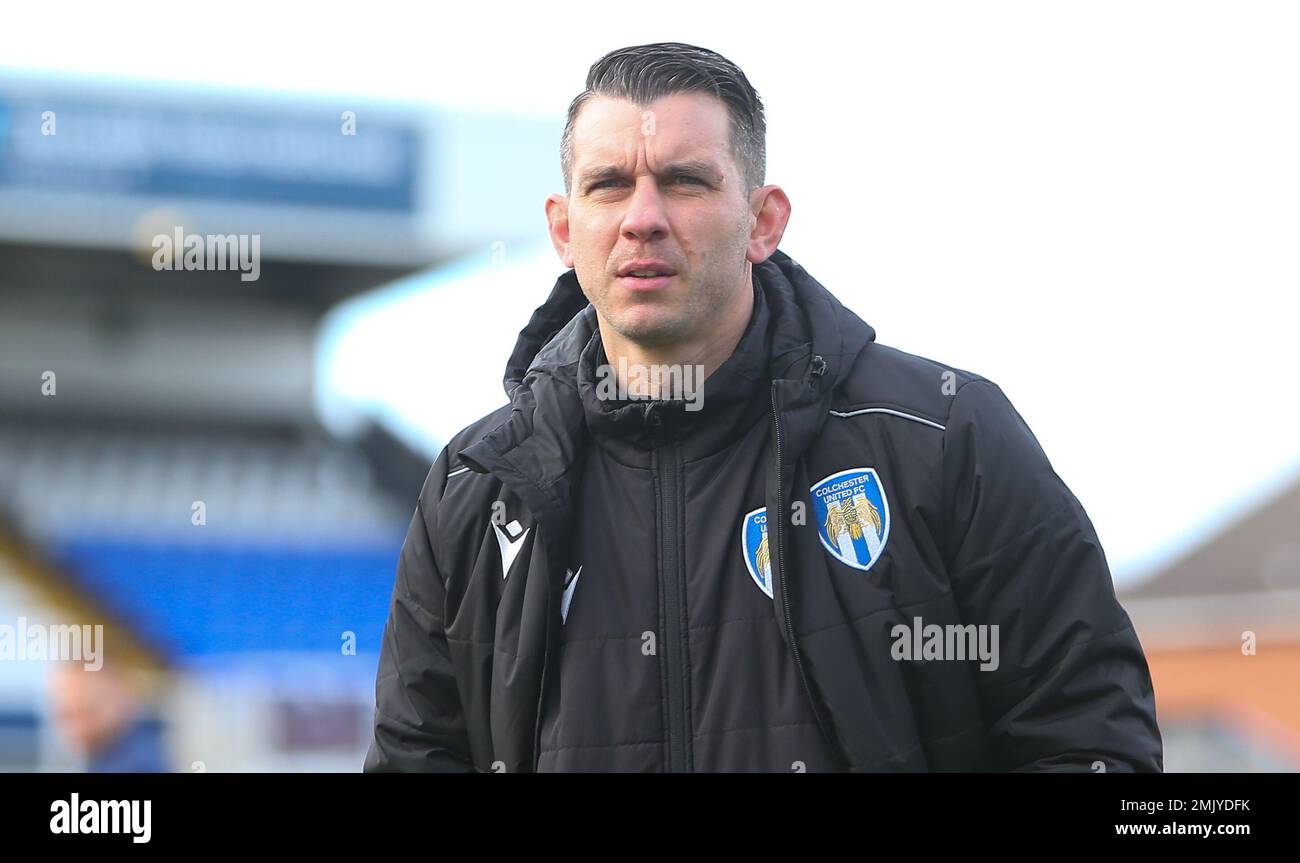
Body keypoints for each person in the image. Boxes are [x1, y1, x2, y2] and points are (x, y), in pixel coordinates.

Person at [364, 42, 1163, 772]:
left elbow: (1090, 736)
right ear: (564, 228)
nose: (643, 217)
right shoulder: (476, 490)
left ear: (764, 220)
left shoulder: (945, 436)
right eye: (609, 185)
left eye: (685, 180)